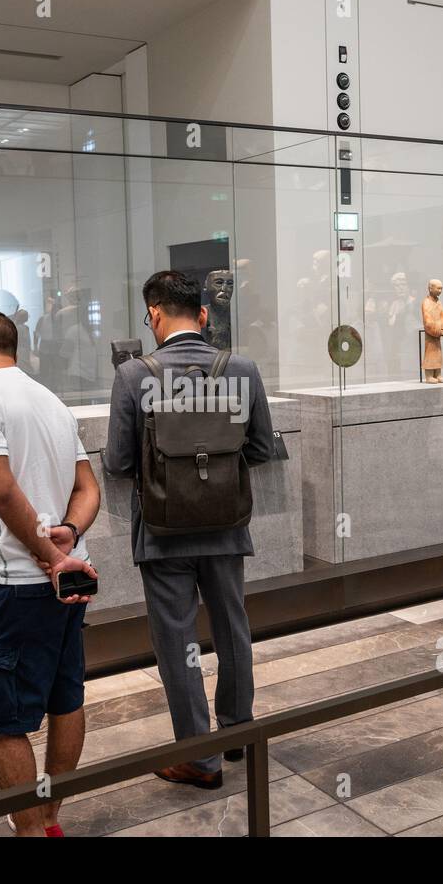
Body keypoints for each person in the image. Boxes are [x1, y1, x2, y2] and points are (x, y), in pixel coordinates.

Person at [104, 270, 275, 790]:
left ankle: (201, 760)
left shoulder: (135, 376)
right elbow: (262, 449)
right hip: (226, 528)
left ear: (154, 314)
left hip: (162, 532)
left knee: (179, 641)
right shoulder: (241, 369)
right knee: (232, 629)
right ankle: (240, 733)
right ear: (202, 314)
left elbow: (116, 461)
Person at [0, 309, 100, 837]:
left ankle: (31, 830)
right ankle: (52, 819)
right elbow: (88, 490)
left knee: (0, 719)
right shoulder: (51, 401)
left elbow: (3, 489)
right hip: (62, 588)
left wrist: (52, 554)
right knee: (65, 699)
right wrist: (69, 535)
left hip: (13, 586)